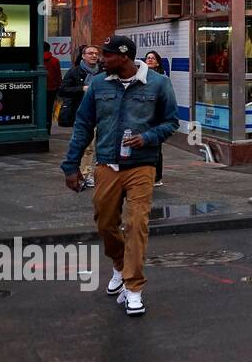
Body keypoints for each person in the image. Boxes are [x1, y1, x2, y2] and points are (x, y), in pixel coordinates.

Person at [61, 35, 179, 317]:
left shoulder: (158, 83)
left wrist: (148, 137)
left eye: (107, 55)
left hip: (142, 165)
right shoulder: (100, 84)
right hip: (107, 164)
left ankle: (134, 288)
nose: (102, 59)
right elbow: (84, 124)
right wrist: (71, 165)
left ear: (123, 57)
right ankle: (119, 264)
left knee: (137, 223)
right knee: (105, 221)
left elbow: (171, 121)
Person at [57, 45, 100, 186]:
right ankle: (85, 173)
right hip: (82, 113)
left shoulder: (103, 72)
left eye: (96, 53)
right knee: (86, 146)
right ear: (83, 56)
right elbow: (63, 90)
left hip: (101, 113)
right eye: (90, 53)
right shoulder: (75, 72)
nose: (94, 56)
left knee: (99, 145)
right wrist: (82, 89)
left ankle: (99, 174)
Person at [142, 52, 169, 186]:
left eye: (153, 58)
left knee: (156, 147)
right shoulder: (140, 76)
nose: (150, 60)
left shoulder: (162, 79)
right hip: (143, 115)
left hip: (156, 116)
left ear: (158, 62)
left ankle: (157, 176)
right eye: (148, 58)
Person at [42, 41, 62, 129]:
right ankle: (48, 128)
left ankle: (40, 127)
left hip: (39, 89)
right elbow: (58, 76)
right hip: (52, 89)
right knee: (49, 109)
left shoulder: (37, 60)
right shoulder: (55, 60)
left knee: (39, 108)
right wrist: (58, 87)